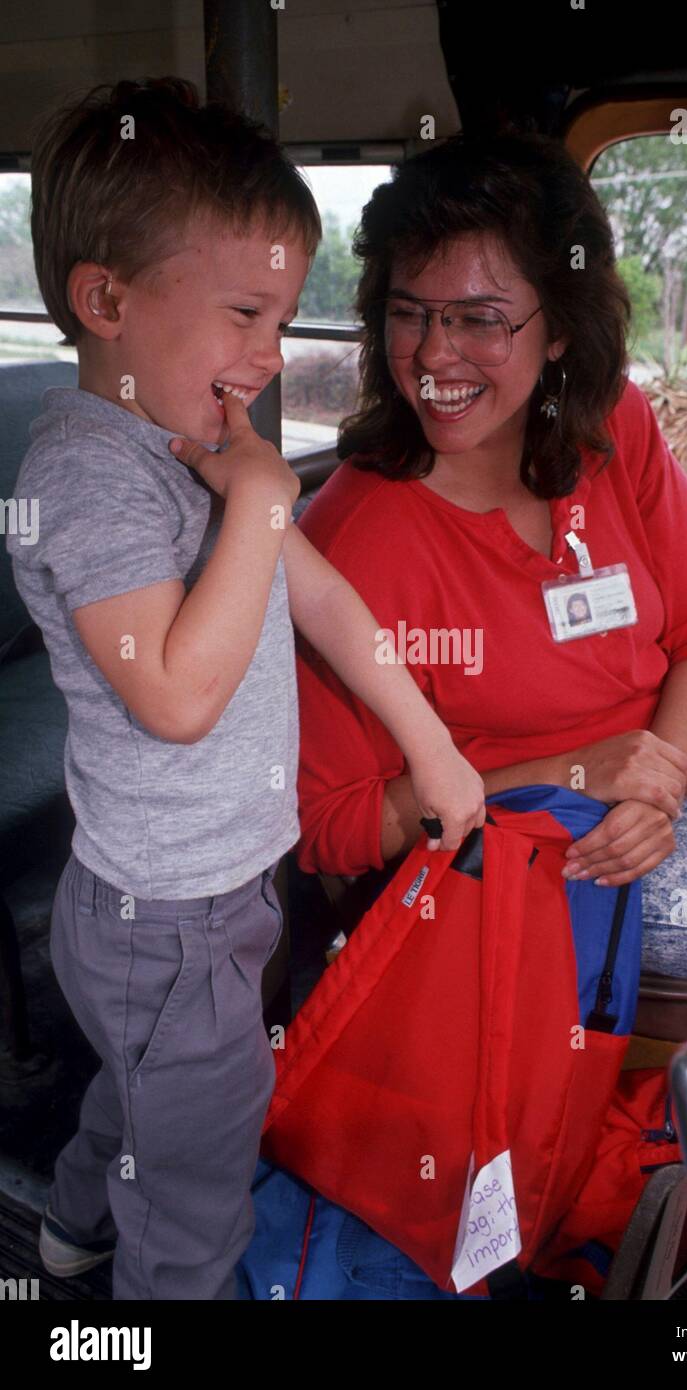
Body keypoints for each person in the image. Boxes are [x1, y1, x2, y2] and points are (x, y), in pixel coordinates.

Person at [6, 79, 483, 1300]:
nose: (269, 357)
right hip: (168, 920)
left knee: (136, 1096)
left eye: (282, 319)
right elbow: (173, 694)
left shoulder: (203, 455)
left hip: (191, 899)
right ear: (106, 301)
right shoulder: (88, 476)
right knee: (194, 1190)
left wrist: (427, 742)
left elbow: (320, 600)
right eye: (243, 313)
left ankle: (66, 1235)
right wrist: (263, 501)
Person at [294, 132, 687, 1010]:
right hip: (545, 837)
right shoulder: (351, 543)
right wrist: (579, 771)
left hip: (679, 747)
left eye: (479, 318)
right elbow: (329, 829)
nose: (435, 356)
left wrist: (660, 776)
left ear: (557, 328)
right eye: (410, 314)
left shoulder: (608, 427)